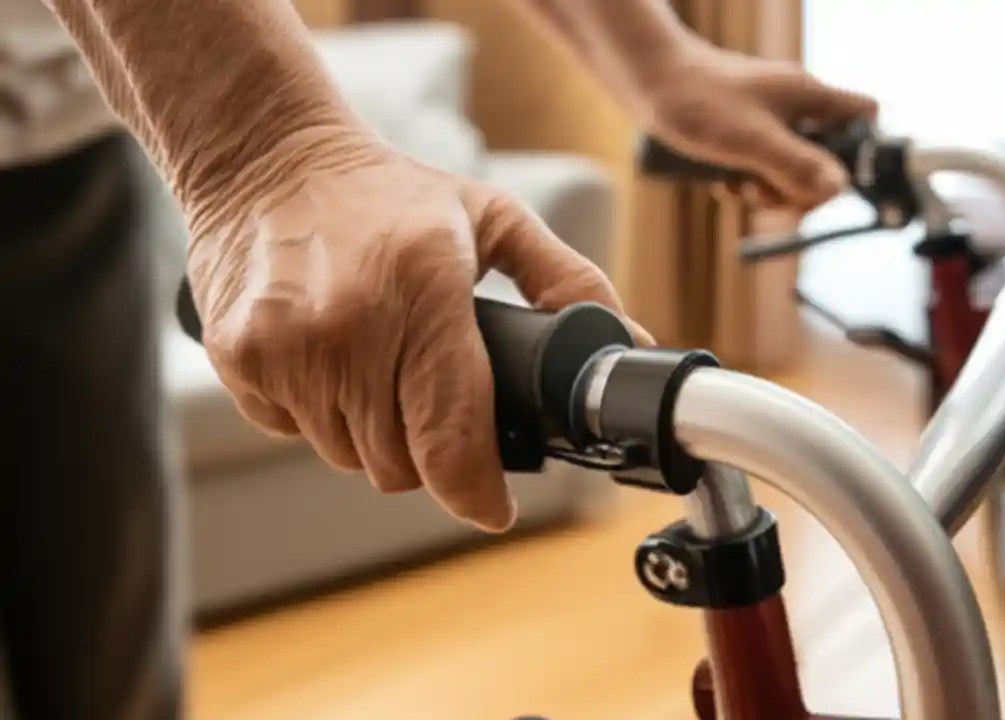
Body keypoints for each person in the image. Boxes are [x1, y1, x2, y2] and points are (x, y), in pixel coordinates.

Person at [1, 0, 875, 718]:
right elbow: (257, 144)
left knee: (107, 666)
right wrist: (262, 145)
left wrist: (658, 64)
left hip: (64, 148)